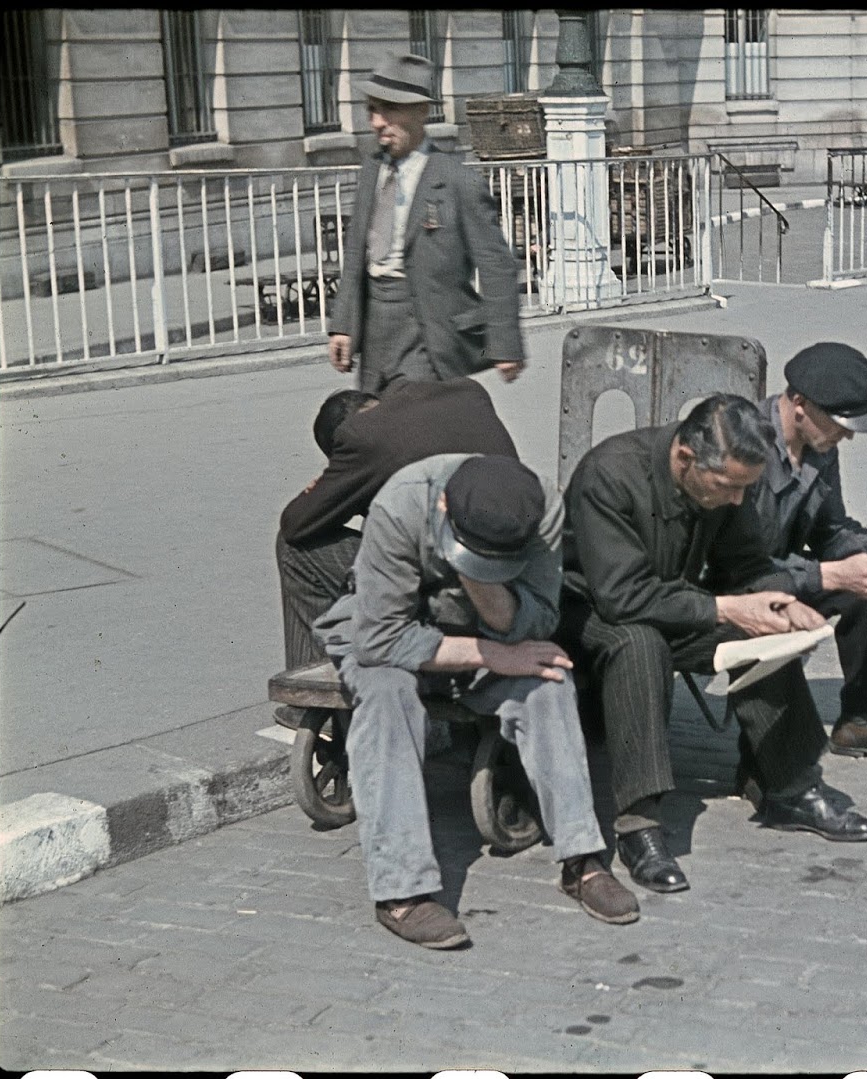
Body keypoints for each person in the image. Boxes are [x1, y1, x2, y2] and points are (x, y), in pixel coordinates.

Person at [556, 394, 867, 896]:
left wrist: (775, 601)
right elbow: (622, 597)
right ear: (685, 458)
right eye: (727, 487)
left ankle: (787, 785)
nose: (736, 500)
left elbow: (746, 566)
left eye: (743, 489)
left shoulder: (732, 483)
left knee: (765, 630)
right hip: (592, 612)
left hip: (673, 600)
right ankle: (638, 826)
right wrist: (728, 608)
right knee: (640, 644)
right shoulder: (611, 473)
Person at [314, 454, 640, 947]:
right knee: (385, 697)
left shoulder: (542, 509)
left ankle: (582, 861)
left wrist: (480, 579)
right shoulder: (402, 503)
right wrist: (489, 651)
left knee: (548, 681)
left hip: (483, 633)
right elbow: (378, 641)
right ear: (444, 504)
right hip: (388, 636)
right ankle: (401, 891)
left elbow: (537, 623)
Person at [734, 343, 867, 792]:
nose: (845, 437)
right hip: (738, 582)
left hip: (783, 572)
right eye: (839, 424)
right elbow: (738, 564)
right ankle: (768, 765)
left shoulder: (819, 444)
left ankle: (862, 719)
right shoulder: (745, 445)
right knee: (839, 581)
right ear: (798, 405)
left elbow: (832, 533)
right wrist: (825, 576)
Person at [274, 377, 517, 729]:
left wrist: (328, 485)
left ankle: (317, 703)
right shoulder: (464, 392)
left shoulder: (361, 437)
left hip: (452, 585)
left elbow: (297, 524)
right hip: (512, 564)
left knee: (294, 548)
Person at [328, 53, 525, 392]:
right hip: (375, 332)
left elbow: (496, 265)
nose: (377, 122)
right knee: (377, 427)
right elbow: (355, 254)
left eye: (390, 109)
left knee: (416, 427)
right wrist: (343, 324)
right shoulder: (372, 171)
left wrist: (504, 343)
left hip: (428, 333)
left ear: (421, 112)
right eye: (373, 110)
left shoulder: (456, 181)